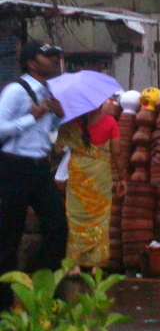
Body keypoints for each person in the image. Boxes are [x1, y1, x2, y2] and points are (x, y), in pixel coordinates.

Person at [0, 40, 68, 311]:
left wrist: (58, 116)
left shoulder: (49, 92)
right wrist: (32, 116)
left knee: (57, 228)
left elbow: (48, 132)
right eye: (46, 55)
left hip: (40, 168)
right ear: (31, 63)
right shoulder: (16, 91)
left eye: (54, 56)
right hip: (14, 167)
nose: (53, 60)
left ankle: (38, 288)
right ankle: (4, 304)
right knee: (9, 236)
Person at [57, 105, 128, 278]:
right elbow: (117, 152)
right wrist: (122, 178)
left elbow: (58, 149)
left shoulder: (71, 123)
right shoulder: (110, 122)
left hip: (78, 175)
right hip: (100, 176)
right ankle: (96, 267)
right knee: (100, 217)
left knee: (76, 218)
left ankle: (74, 265)